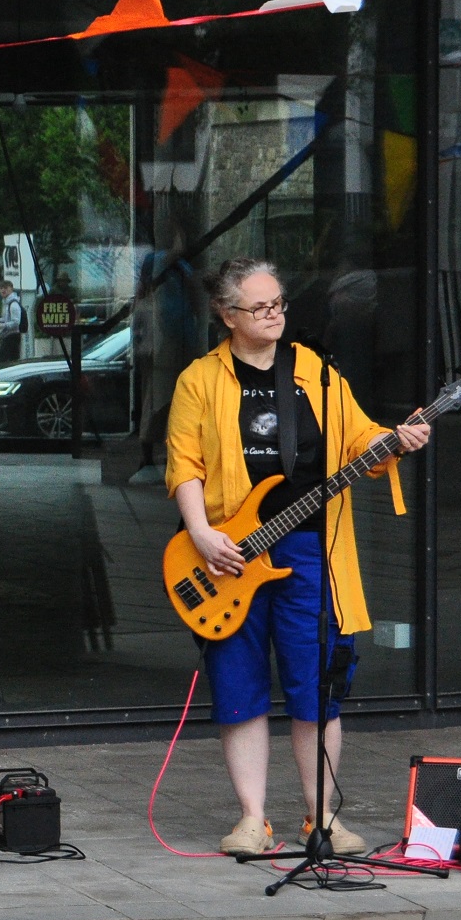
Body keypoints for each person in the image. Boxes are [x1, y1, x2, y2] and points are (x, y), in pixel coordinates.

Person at [165, 258, 429, 857]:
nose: (274, 314)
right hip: (230, 553)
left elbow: (360, 437)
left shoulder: (314, 369)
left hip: (311, 547)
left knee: (317, 684)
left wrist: (396, 439)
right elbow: (184, 463)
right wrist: (201, 533)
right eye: (259, 307)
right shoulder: (199, 380)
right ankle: (252, 820)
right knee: (239, 682)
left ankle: (321, 818)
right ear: (226, 314)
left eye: (278, 303)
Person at [0, 279, 24, 364]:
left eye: (5, 288)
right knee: (13, 361)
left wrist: (1, 325)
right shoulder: (6, 303)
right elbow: (6, 319)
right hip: (8, 335)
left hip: (12, 336)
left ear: (11, 288)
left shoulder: (13, 304)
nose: (3, 290)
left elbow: (16, 322)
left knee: (2, 361)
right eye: (1, 288)